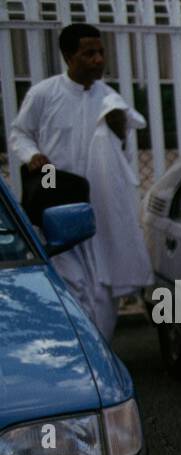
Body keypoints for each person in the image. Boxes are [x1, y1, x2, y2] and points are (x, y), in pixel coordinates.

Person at [8, 23, 147, 339]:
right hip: (59, 200)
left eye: (100, 52)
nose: (98, 60)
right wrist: (33, 156)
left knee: (102, 289)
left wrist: (119, 130)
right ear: (69, 56)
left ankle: (101, 355)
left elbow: (120, 152)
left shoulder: (109, 99)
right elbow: (20, 133)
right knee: (71, 282)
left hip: (99, 209)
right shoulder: (45, 94)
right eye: (89, 54)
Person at [84, 90, 153, 341]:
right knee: (102, 290)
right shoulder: (103, 143)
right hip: (106, 231)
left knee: (107, 288)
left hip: (111, 231)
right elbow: (107, 196)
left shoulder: (109, 142)